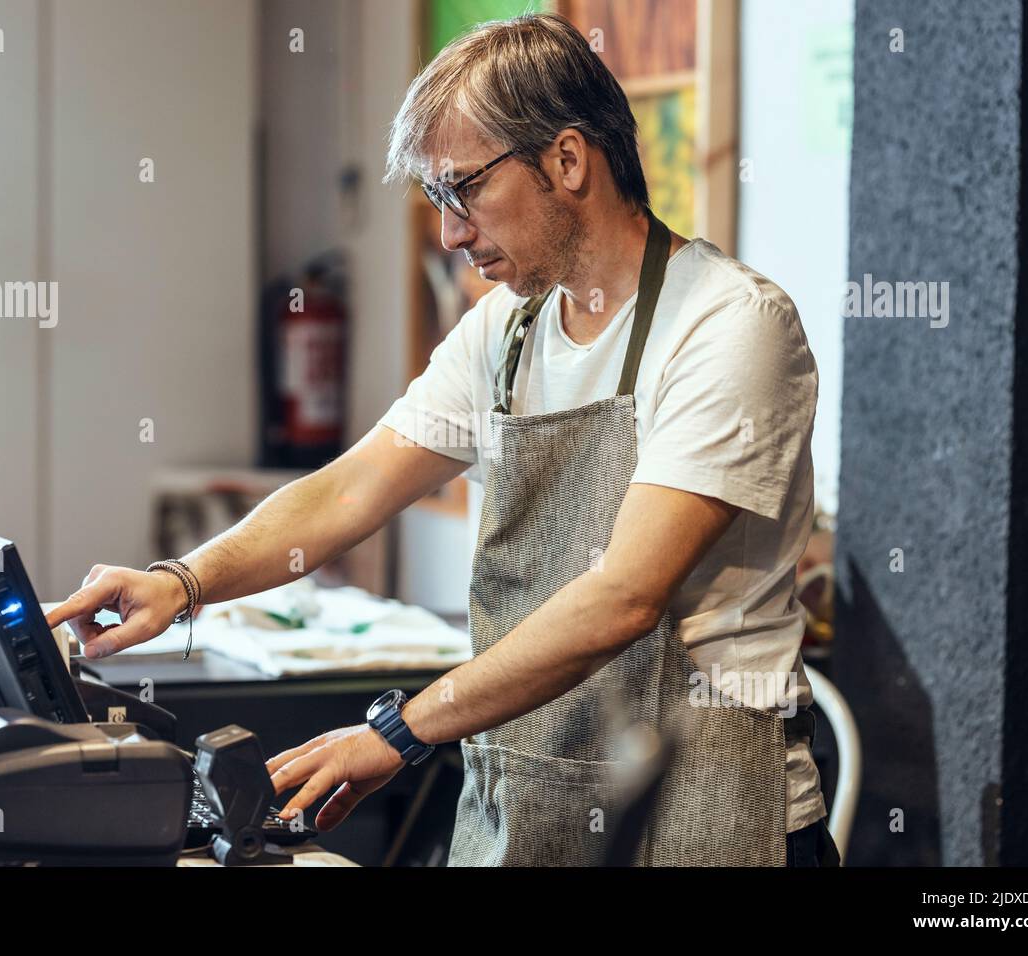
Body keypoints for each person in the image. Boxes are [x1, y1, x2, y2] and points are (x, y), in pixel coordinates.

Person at [47, 12, 838, 867]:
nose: (453, 233)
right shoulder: (505, 327)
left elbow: (623, 598)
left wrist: (399, 728)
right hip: (534, 808)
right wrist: (184, 581)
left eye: (465, 190)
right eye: (438, 200)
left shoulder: (730, 326)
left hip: (706, 825)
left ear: (568, 161)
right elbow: (353, 488)